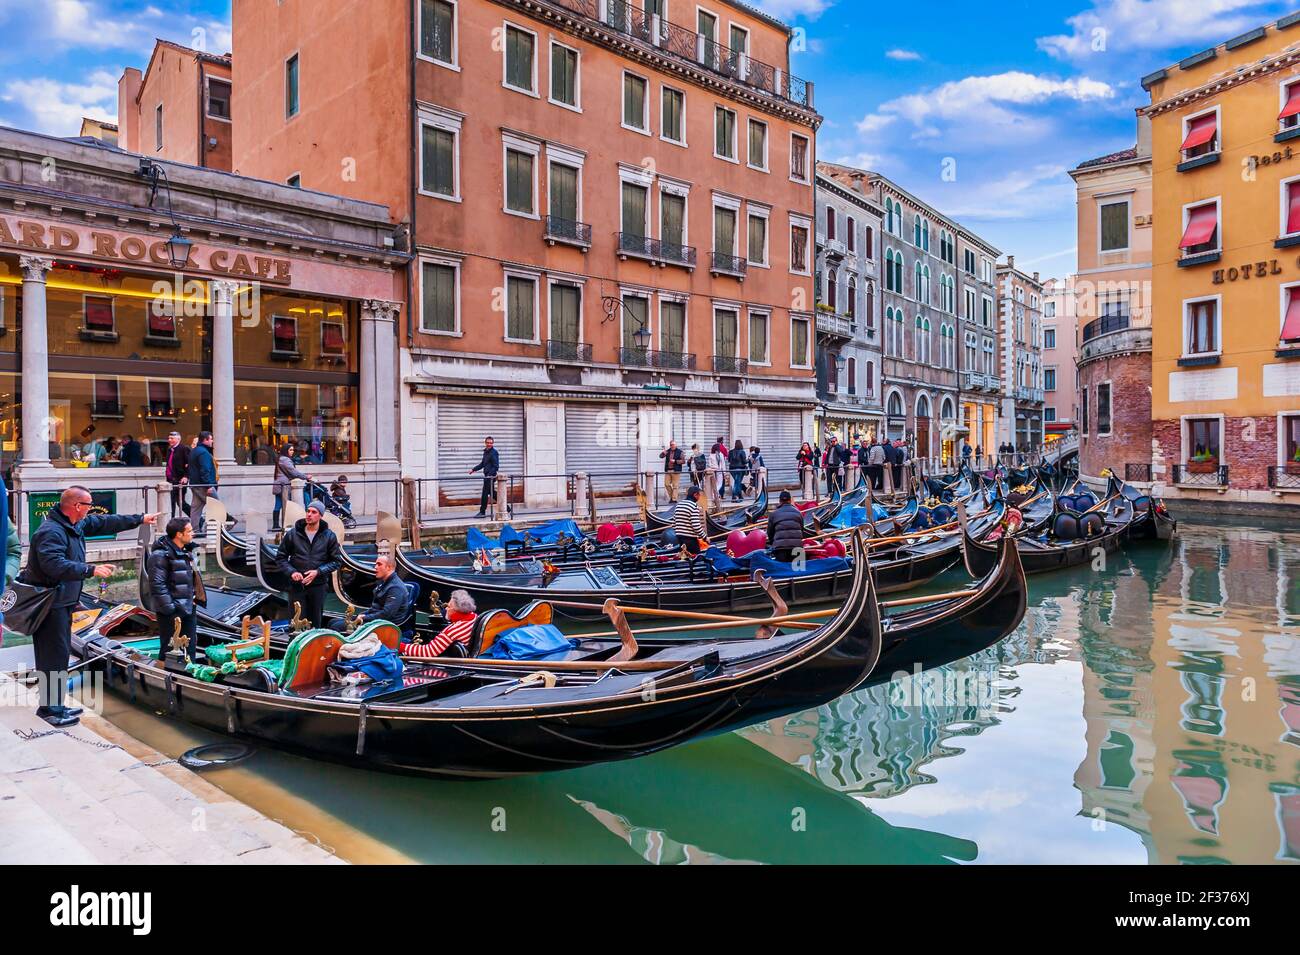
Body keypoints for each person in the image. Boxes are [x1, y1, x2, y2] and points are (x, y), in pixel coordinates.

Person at [21, 487, 158, 725]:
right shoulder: (51, 532)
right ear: (76, 506)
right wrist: (91, 569)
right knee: (52, 656)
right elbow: (54, 565)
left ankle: (56, 705)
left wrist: (139, 519)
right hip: (50, 605)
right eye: (88, 505)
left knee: (60, 655)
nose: (90, 509)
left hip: (64, 602)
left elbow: (103, 522)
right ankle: (49, 710)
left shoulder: (74, 524)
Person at [275, 499, 343, 628]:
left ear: (320, 516)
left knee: (315, 623)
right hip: (296, 586)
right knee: (295, 624)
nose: (309, 514)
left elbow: (336, 561)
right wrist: (292, 572)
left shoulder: (329, 536)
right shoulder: (292, 534)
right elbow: (281, 558)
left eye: (313, 512)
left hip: (318, 586)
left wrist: (318, 572)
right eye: (308, 511)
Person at [147, 517, 203, 658]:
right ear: (179, 534)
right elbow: (157, 585)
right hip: (172, 611)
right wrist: (171, 609)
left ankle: (189, 675)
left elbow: (194, 577)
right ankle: (165, 677)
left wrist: (195, 597)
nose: (193, 534)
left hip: (189, 607)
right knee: (169, 648)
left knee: (189, 647)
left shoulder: (189, 551)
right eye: (189, 531)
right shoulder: (159, 555)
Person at [402, 590, 477, 658]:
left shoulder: (452, 631)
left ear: (456, 611)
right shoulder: (474, 617)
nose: (446, 609)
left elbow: (428, 652)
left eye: (449, 607)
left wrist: (401, 647)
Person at [356, 553, 414, 637]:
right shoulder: (384, 583)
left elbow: (386, 614)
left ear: (389, 567)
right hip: (375, 622)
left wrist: (364, 617)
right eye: (376, 564)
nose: (375, 567)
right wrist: (361, 615)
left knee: (336, 626)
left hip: (384, 628)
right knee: (334, 622)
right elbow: (374, 609)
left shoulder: (396, 588)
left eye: (379, 564)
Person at [272, 442, 312, 530]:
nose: (292, 452)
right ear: (286, 450)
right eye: (290, 450)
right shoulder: (285, 460)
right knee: (287, 505)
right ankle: (285, 524)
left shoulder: (281, 459)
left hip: (279, 485)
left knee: (278, 504)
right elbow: (293, 472)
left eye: (293, 450)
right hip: (283, 485)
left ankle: (276, 525)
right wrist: (305, 477)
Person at [188, 431, 217, 534]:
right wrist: (208, 485)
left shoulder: (194, 451)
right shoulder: (203, 453)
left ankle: (195, 530)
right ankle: (214, 530)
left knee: (196, 508)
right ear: (205, 440)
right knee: (216, 506)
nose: (212, 441)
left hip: (195, 484)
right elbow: (205, 470)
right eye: (211, 439)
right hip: (204, 485)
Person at [766, 490, 806, 563]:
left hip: (780, 548)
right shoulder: (798, 513)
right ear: (790, 500)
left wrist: (774, 543)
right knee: (799, 571)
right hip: (797, 547)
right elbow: (802, 531)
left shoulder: (773, 514)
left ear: (779, 501)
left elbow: (770, 533)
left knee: (782, 571)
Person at [673, 485, 708, 555]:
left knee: (684, 558)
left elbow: (674, 523)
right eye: (699, 495)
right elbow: (696, 526)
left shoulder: (679, 504)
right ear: (695, 495)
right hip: (690, 540)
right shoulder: (693, 506)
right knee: (696, 559)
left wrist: (680, 532)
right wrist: (705, 537)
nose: (699, 497)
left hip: (679, 538)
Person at [470, 436, 499, 518]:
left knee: (485, 494)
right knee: (492, 493)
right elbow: (483, 464)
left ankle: (482, 512)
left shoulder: (494, 452)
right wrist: (473, 469)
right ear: (485, 443)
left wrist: (489, 475)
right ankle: (507, 508)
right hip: (487, 476)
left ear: (493, 443)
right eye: (488, 442)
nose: (489, 444)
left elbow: (496, 466)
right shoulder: (486, 452)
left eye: (491, 443)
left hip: (490, 477)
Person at [163, 431, 190, 518]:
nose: (169, 440)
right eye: (169, 438)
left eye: (172, 438)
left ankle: (198, 519)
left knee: (180, 502)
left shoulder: (183, 449)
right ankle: (172, 520)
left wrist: (186, 476)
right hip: (171, 480)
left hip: (180, 480)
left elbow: (189, 463)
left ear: (178, 439)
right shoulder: (169, 450)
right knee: (172, 502)